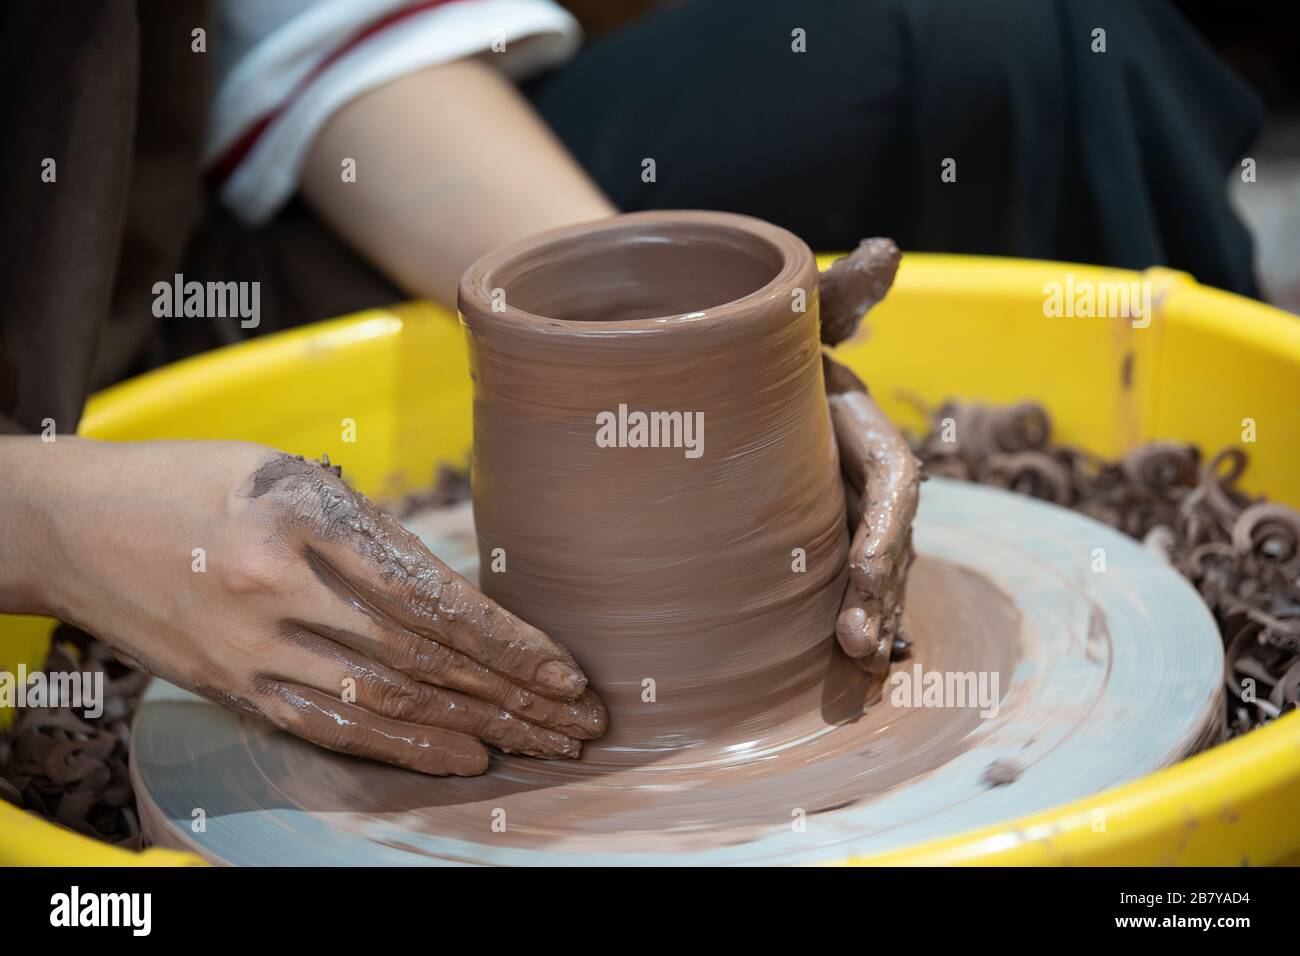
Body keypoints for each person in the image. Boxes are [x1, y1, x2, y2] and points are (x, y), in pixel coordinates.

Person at [0, 0, 1262, 774]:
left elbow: (313, 44)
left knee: (1006, 36)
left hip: (139, 235)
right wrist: (55, 524)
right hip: (58, 422)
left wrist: (673, 342)